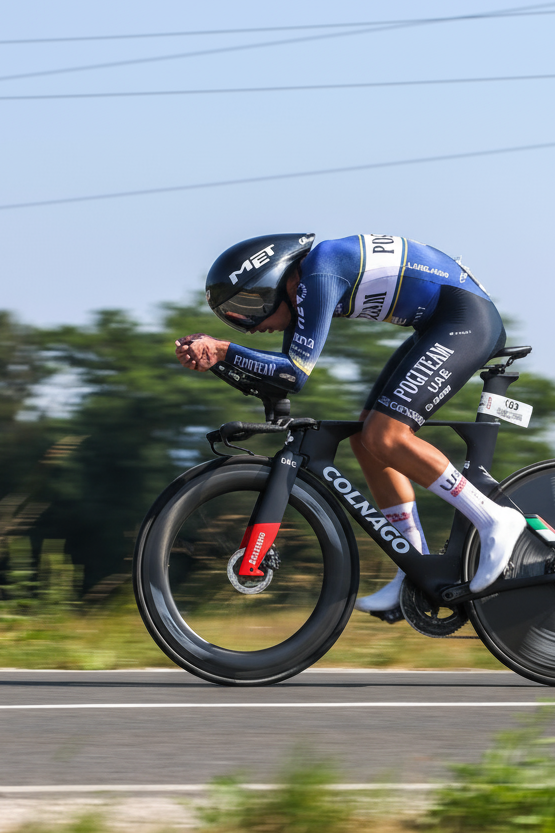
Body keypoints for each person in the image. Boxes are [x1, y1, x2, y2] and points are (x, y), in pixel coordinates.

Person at [175, 233, 526, 619]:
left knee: (386, 435)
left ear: (274, 283)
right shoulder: (307, 284)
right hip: (442, 323)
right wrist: (221, 362)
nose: (248, 326)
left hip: (466, 320)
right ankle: (414, 567)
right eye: (233, 317)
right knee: (365, 440)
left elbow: (294, 374)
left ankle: (494, 519)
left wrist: (224, 350)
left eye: (248, 308)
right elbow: (281, 381)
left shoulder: (319, 275)